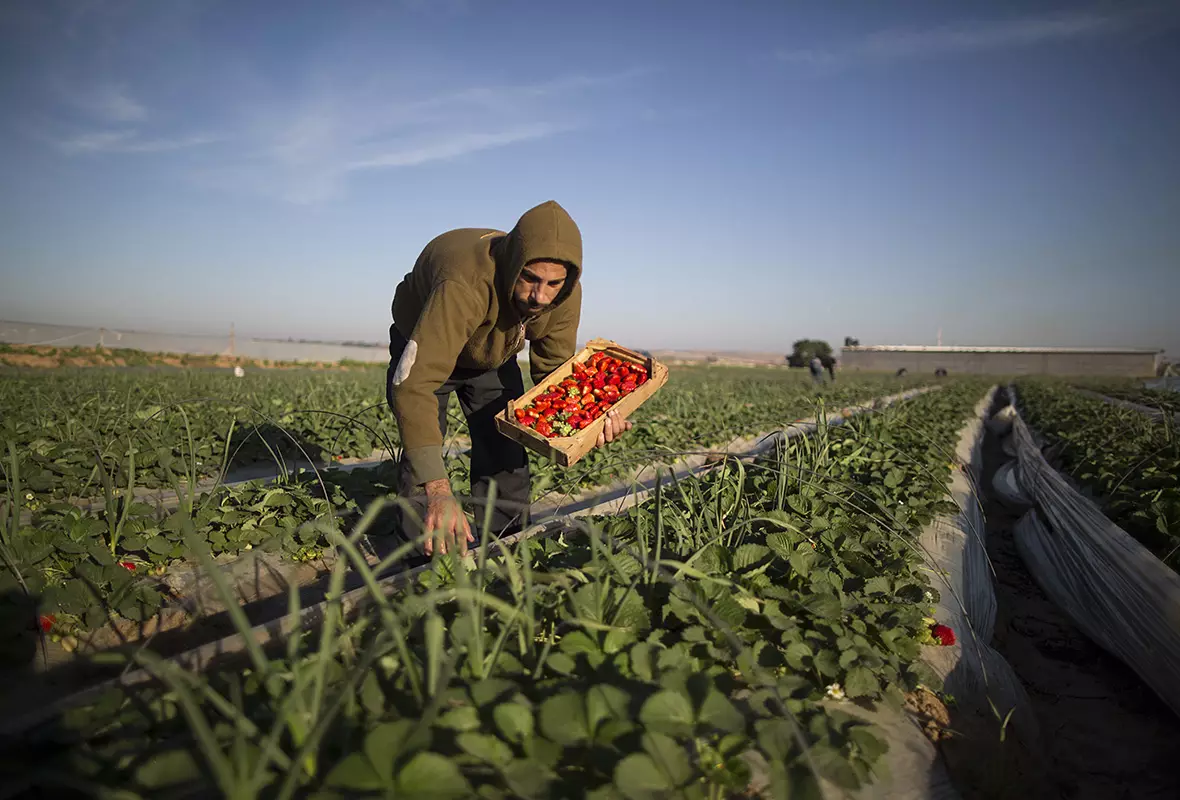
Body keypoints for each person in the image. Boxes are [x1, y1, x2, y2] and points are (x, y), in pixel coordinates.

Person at [385, 200, 632, 556]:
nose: (539, 296)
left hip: (491, 354)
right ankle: (418, 567)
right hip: (427, 344)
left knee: (506, 448)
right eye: (529, 278)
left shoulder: (563, 295)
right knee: (421, 458)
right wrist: (439, 489)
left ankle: (506, 551)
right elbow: (414, 384)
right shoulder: (464, 284)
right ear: (514, 263)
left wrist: (592, 422)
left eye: (552, 284)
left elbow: (555, 374)